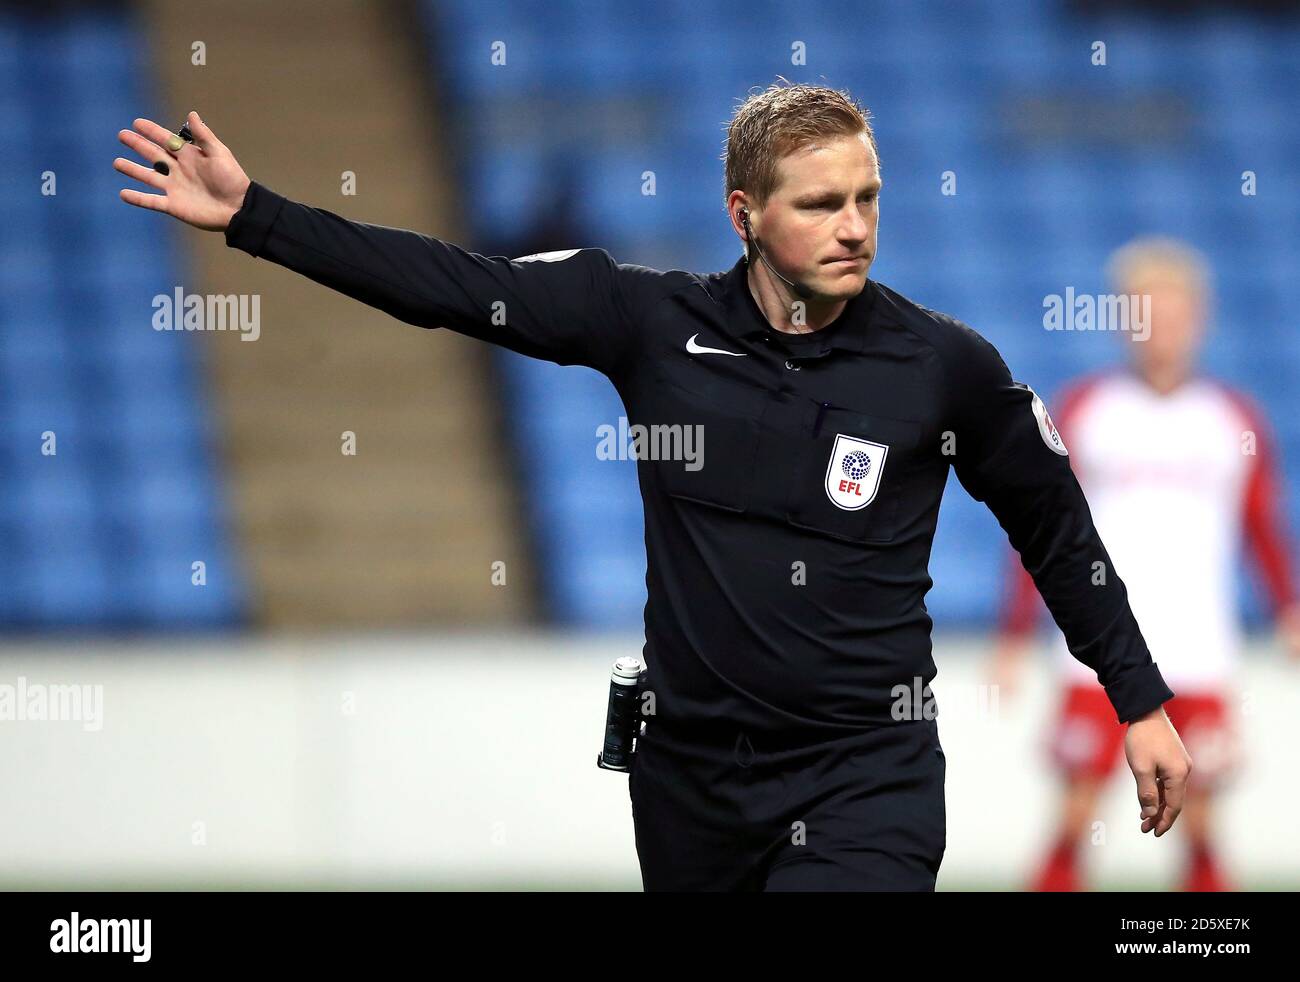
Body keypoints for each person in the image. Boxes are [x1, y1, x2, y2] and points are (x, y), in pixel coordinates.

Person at [114, 82, 1190, 891]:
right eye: (819, 204)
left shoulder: (941, 365)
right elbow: (452, 286)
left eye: (866, 197)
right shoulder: (649, 324)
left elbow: (1055, 528)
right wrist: (256, 216)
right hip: (690, 784)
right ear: (743, 212)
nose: (854, 224)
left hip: (866, 774)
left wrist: (1136, 698)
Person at [993, 237, 1300, 891]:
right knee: (1075, 818)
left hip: (1199, 650)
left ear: (1200, 318)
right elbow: (1042, 529)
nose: (1161, 328)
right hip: (1096, 655)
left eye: (1174, 311)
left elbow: (1261, 527)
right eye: (1145, 311)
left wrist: (1287, 609)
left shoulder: (1231, 418)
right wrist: (1014, 635)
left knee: (1203, 821)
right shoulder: (1084, 410)